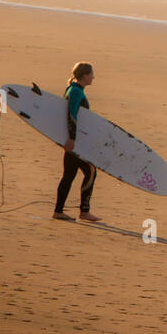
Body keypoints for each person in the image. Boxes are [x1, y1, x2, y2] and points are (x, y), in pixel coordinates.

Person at [53, 61, 101, 222]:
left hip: (73, 140)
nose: (94, 77)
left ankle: (59, 211)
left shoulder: (74, 89)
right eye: (92, 74)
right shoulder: (75, 91)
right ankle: (84, 211)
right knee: (90, 172)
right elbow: (71, 115)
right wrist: (72, 138)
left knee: (69, 175)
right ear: (85, 75)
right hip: (74, 142)